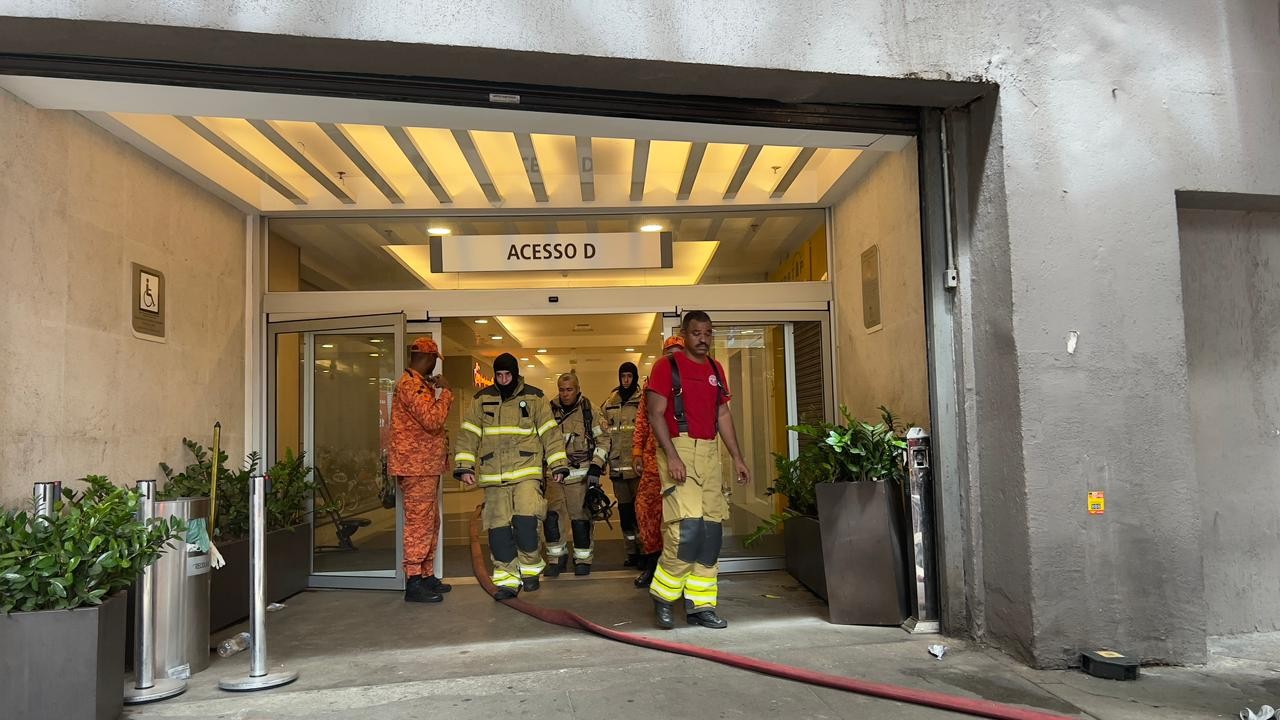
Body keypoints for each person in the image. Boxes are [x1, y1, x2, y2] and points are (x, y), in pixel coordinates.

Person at [646, 311, 751, 629]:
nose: (703, 338)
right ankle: (663, 596)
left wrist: (737, 457)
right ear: (685, 334)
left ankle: (700, 605)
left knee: (711, 534)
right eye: (696, 333)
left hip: (708, 453)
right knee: (687, 531)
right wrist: (673, 456)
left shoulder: (716, 369)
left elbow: (722, 415)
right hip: (679, 450)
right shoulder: (667, 366)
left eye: (708, 333)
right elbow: (655, 414)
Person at [454, 353, 568, 599]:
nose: (503, 379)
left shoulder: (534, 398)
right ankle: (507, 579)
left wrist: (558, 464)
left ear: (515, 374)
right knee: (498, 531)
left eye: (507, 374)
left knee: (527, 524)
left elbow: (550, 433)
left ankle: (529, 571)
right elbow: (469, 434)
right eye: (499, 375)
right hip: (494, 476)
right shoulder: (482, 399)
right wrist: (464, 466)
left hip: (526, 472)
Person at [389, 336, 454, 603]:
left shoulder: (418, 384)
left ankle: (426, 575)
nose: (433, 368)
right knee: (418, 524)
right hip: (416, 466)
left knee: (430, 521)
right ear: (427, 358)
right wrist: (446, 392)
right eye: (433, 362)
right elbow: (432, 420)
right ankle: (414, 582)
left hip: (424, 465)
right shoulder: (410, 385)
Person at [543, 370, 611, 576]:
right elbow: (540, 442)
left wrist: (596, 466)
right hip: (554, 476)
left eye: (569, 390)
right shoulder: (548, 411)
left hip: (580, 477)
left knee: (580, 520)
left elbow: (604, 440)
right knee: (552, 519)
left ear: (578, 389)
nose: (565, 394)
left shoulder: (591, 412)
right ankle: (556, 558)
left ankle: (583, 559)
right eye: (562, 390)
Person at [630, 336, 684, 588]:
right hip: (653, 459)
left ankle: (676, 570)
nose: (673, 357)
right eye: (669, 353)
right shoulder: (654, 384)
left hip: (682, 456)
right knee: (646, 510)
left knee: (678, 515)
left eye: (678, 352)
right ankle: (652, 566)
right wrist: (637, 451)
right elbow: (643, 419)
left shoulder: (691, 382)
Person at [603, 361, 643, 568]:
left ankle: (645, 551)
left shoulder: (643, 401)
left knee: (641, 514)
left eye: (629, 376)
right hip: (618, 470)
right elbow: (603, 435)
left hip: (638, 470)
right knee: (626, 516)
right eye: (623, 376)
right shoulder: (610, 403)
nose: (626, 380)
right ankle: (631, 553)